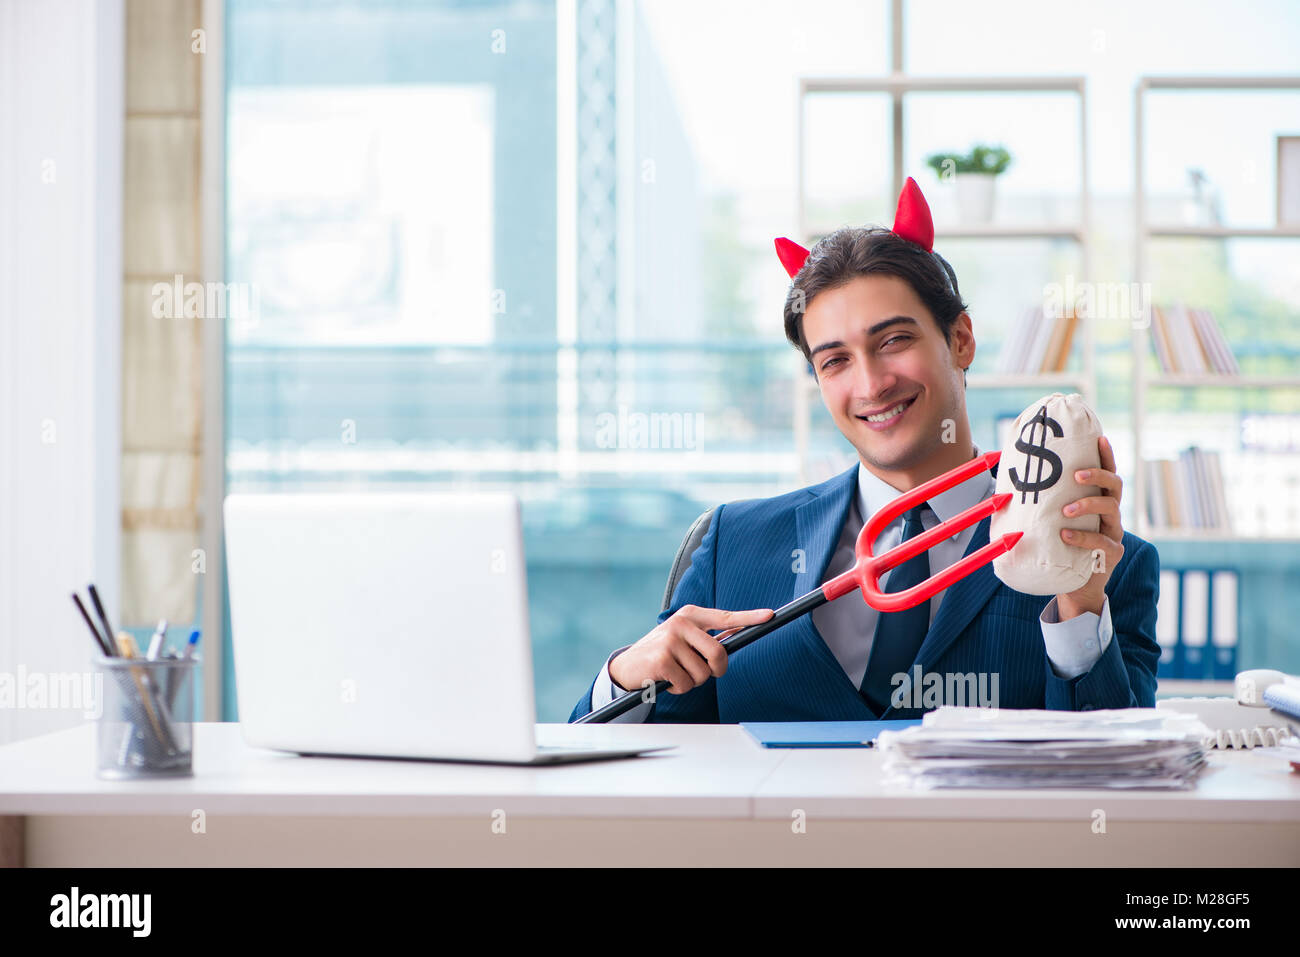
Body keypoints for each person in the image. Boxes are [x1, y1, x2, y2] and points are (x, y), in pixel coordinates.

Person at [568, 178, 1159, 724]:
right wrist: (625, 675)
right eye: (835, 361)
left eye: (894, 340)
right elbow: (635, 763)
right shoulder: (735, 545)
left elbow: (1115, 790)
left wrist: (1079, 608)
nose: (872, 384)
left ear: (960, 339)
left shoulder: (1107, 563)